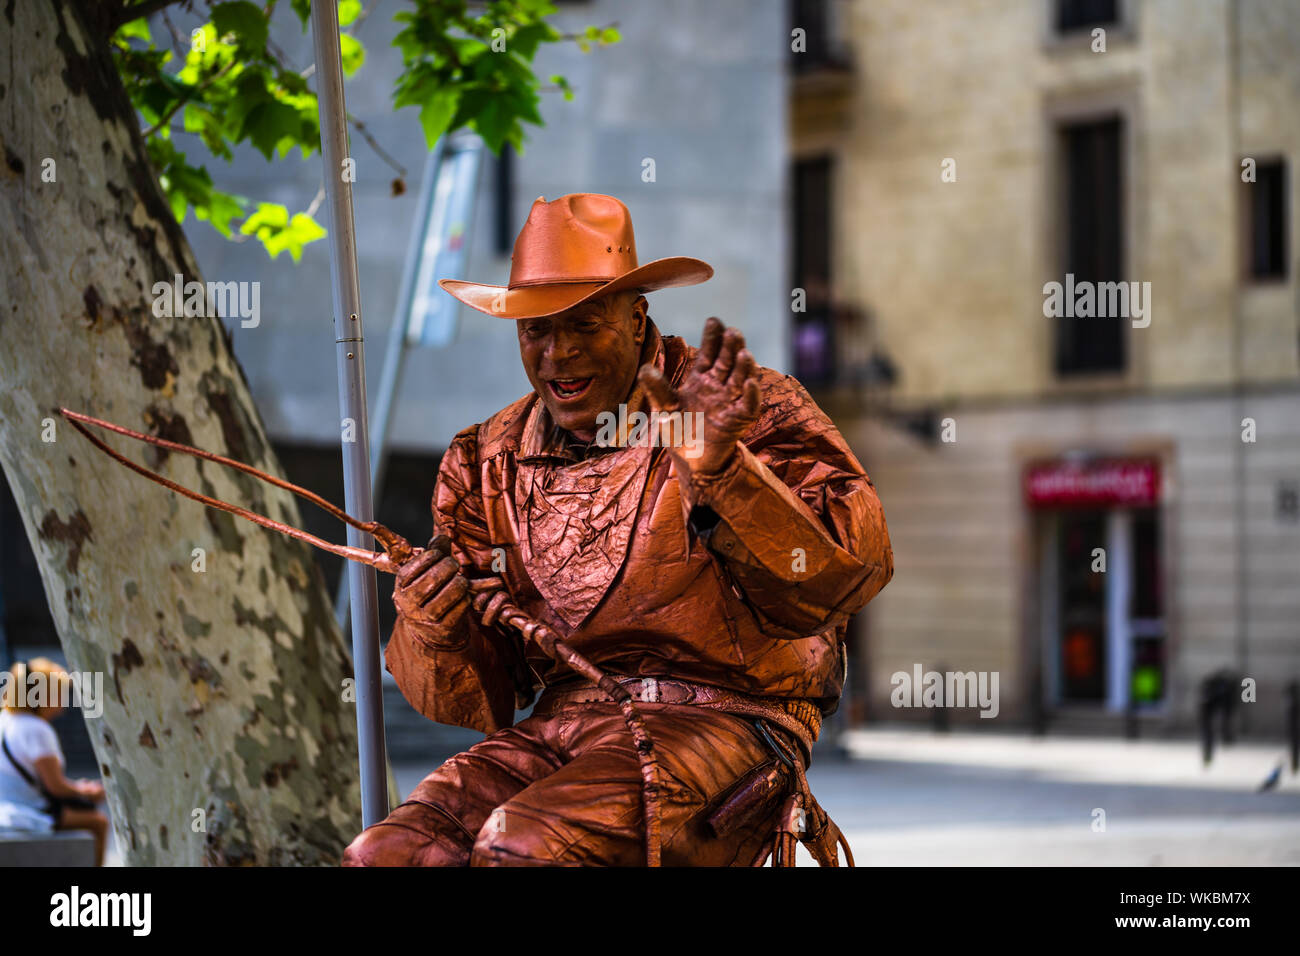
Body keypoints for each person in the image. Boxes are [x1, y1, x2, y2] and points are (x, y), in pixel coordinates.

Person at [342, 193, 893, 866]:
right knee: (389, 853)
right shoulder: (484, 458)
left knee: (523, 847)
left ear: (636, 320)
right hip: (564, 722)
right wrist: (436, 624)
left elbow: (847, 572)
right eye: (535, 330)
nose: (558, 354)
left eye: (583, 325)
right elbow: (480, 696)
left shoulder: (748, 405)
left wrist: (723, 470)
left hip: (728, 720)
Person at [0, 658, 108, 865]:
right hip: (27, 812)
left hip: (6, 806)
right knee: (98, 822)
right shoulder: (37, 730)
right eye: (59, 694)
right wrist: (86, 791)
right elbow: (56, 787)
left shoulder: (5, 719)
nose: (63, 703)